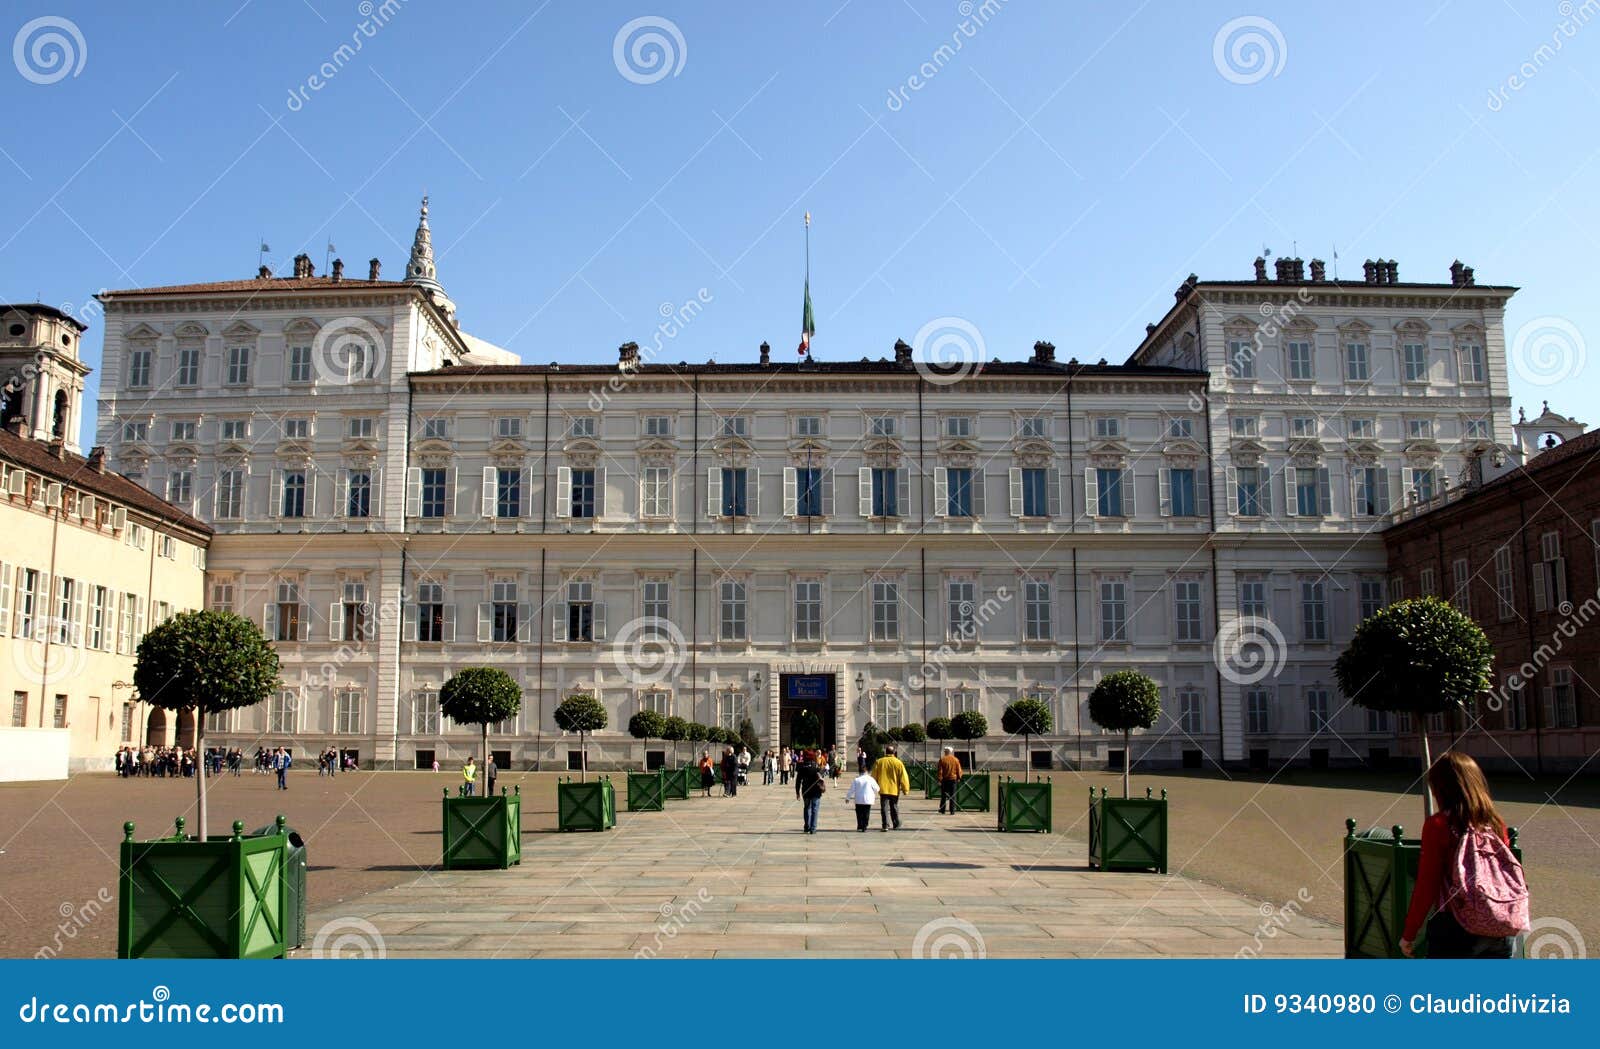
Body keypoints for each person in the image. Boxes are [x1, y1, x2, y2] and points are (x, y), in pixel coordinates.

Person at [1400, 751, 1526, 959]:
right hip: (1499, 926)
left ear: (1441, 788)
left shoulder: (1438, 825)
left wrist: (1409, 933)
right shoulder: (1495, 823)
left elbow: (1427, 885)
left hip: (1455, 928)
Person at [871, 745, 911, 831]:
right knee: (894, 806)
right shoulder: (898, 762)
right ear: (894, 752)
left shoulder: (879, 762)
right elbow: (904, 777)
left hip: (883, 789)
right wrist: (905, 789)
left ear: (886, 752)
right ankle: (896, 824)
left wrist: (872, 788)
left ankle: (885, 825)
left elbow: (873, 776)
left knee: (884, 808)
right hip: (894, 789)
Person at [794, 750, 826, 834]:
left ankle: (806, 826)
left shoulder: (801, 768)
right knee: (815, 809)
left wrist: (797, 792)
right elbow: (822, 775)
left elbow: (798, 781)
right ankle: (813, 828)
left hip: (805, 791)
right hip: (816, 792)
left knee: (807, 808)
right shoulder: (816, 767)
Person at [845, 762, 881, 832]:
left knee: (859, 813)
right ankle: (865, 826)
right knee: (866, 813)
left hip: (858, 799)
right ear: (866, 771)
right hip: (868, 799)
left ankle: (860, 826)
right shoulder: (870, 779)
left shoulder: (856, 779)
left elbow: (851, 790)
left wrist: (847, 798)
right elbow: (877, 788)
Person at [937, 746, 963, 814]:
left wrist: (939, 780)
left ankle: (942, 810)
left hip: (945, 780)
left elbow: (940, 771)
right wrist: (959, 777)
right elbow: (959, 770)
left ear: (946, 752)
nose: (944, 752)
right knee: (953, 795)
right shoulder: (956, 759)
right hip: (953, 779)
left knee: (943, 795)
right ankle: (952, 810)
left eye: (945, 751)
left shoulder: (942, 759)